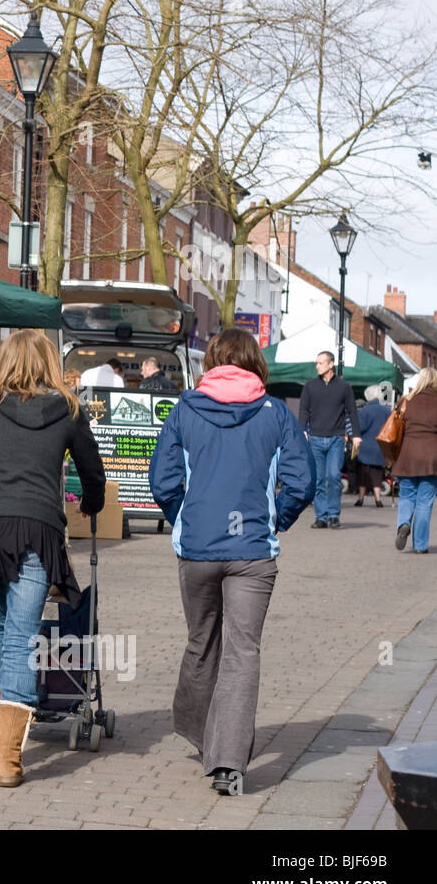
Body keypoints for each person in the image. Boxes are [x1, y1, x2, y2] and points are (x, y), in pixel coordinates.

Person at [149, 329, 314, 796]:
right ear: (255, 363)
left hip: (197, 548)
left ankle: (202, 735)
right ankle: (227, 762)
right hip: (252, 553)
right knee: (243, 651)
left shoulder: (184, 410)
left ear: (214, 361)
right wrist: (274, 520)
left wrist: (184, 517)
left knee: (202, 641)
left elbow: (161, 479)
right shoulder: (275, 413)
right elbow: (302, 482)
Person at [0, 329, 105, 788]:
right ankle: (7, 760)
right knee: (22, 636)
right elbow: (91, 470)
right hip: (36, 527)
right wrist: (92, 503)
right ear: (48, 364)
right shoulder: (69, 409)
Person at [299, 351, 361, 529]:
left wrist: (356, 434)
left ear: (330, 364)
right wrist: (302, 429)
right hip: (315, 438)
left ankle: (334, 514)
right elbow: (304, 411)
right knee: (318, 478)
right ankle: (321, 516)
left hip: (336, 438)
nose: (317, 366)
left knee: (333, 476)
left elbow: (352, 411)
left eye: (320, 363)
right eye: (316, 363)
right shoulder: (309, 387)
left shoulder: (344, 387)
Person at [391, 368, 437, 554]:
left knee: (407, 496)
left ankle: (403, 523)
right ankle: (420, 546)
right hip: (431, 458)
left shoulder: (405, 401)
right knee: (424, 502)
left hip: (407, 456)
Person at [353, 385, 391, 508]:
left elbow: (360, 427)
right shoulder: (386, 410)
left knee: (363, 472)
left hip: (365, 446)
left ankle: (360, 498)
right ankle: (378, 499)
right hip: (379, 446)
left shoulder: (364, 410)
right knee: (377, 473)